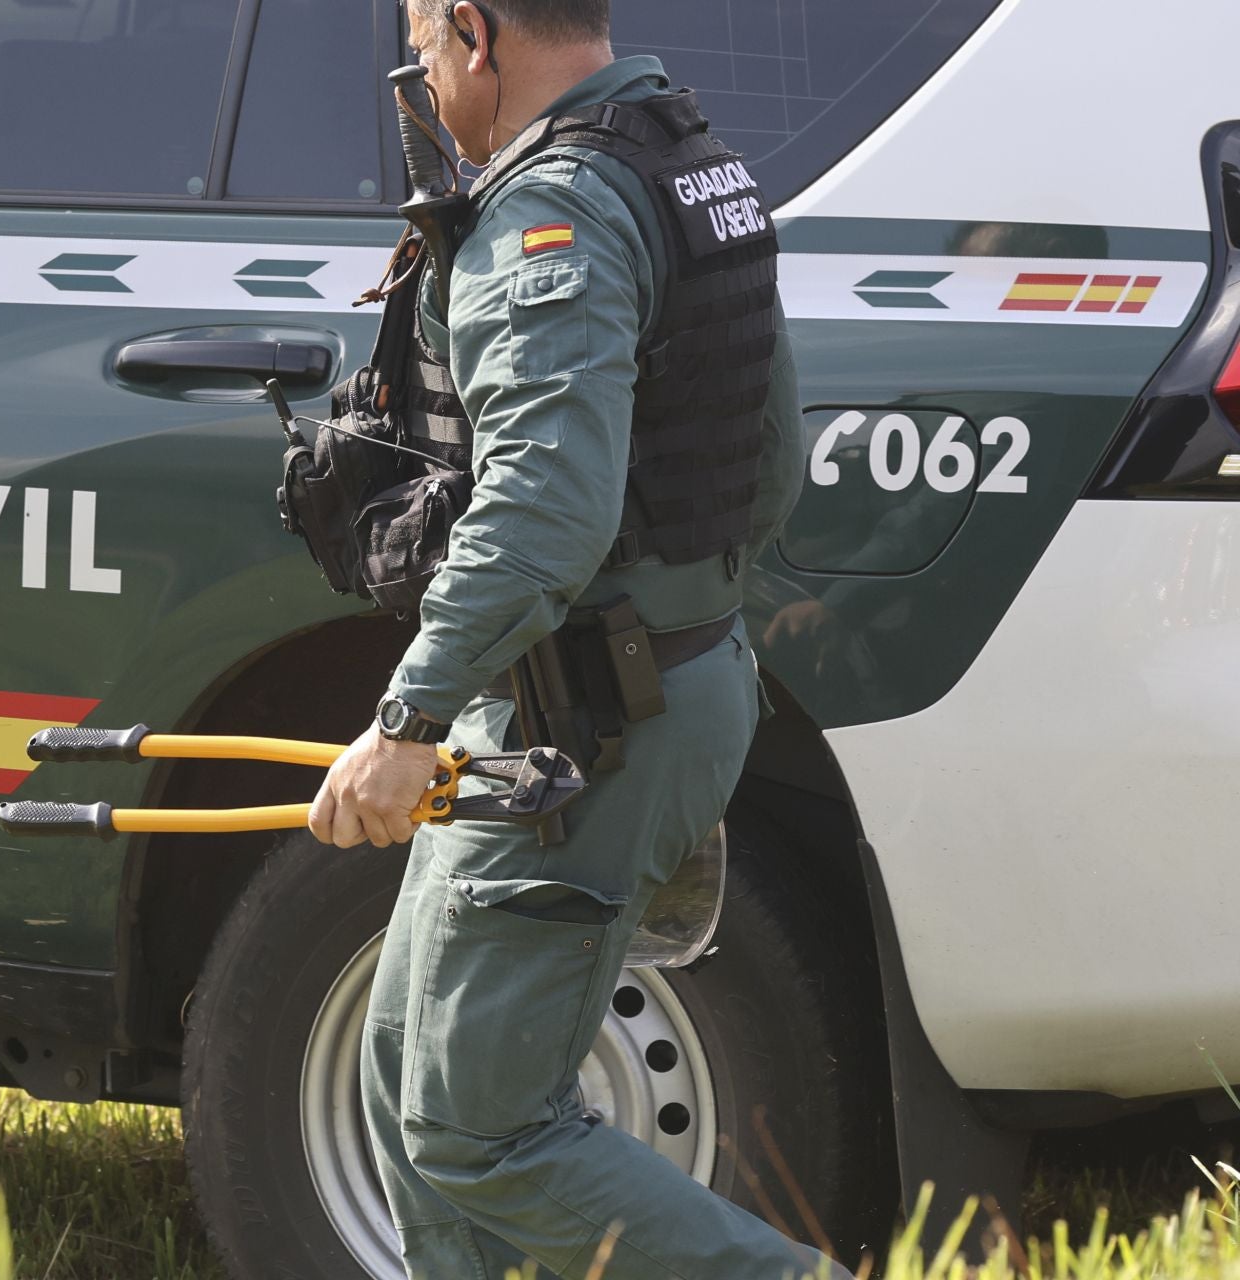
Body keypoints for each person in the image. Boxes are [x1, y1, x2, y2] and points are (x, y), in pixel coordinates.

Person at [305, 2, 859, 1277]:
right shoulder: (685, 160)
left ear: (474, 29)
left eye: (426, 49)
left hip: (589, 716)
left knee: (479, 1130)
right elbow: (768, 462)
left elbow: (545, 511)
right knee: (409, 1079)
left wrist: (407, 721)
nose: (424, 82)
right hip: (649, 681)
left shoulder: (549, 211)